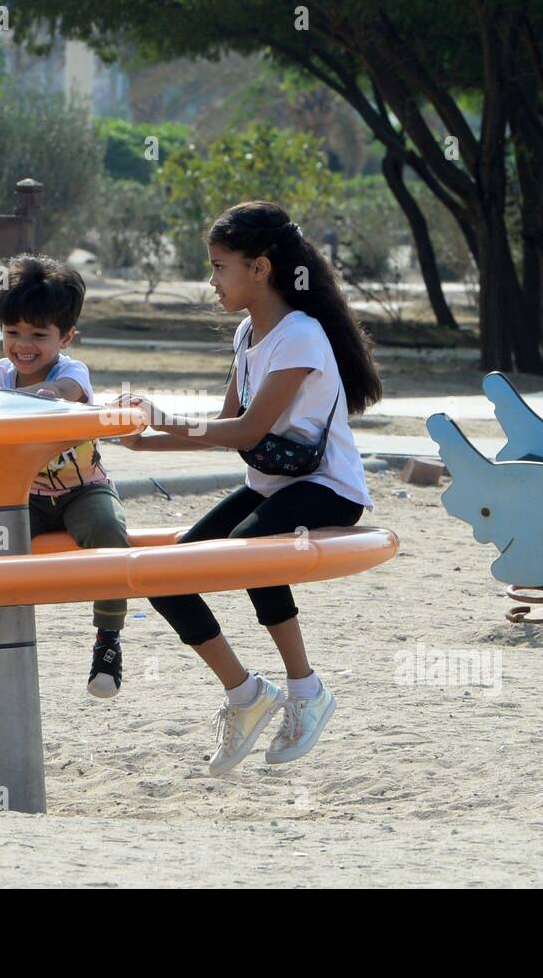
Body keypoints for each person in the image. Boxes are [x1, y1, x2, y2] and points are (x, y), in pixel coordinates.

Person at [113, 202, 381, 773]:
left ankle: (307, 690)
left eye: (219, 266)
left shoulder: (300, 336)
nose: (211, 282)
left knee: (252, 550)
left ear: (260, 268)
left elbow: (248, 429)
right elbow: (226, 430)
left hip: (328, 488)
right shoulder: (246, 333)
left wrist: (160, 418)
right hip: (272, 486)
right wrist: (143, 444)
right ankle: (246, 695)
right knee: (166, 578)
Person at [0, 255, 130, 698]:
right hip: (28, 495)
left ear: (66, 337)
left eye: (39, 335)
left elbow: (62, 393)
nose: (23, 345)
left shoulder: (69, 371)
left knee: (107, 530)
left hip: (84, 489)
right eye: (12, 333)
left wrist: (22, 399)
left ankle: (108, 639)